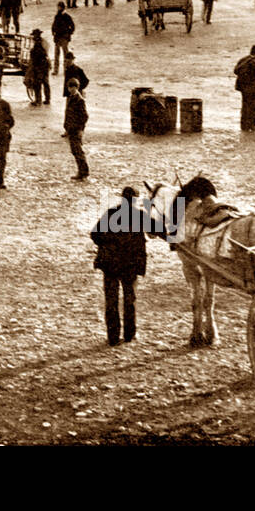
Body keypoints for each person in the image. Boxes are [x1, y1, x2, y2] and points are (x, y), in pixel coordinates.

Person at [90, 187, 150, 345]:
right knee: (130, 299)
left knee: (111, 300)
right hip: (130, 265)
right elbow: (158, 231)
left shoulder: (110, 213)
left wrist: (109, 245)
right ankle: (129, 335)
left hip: (110, 264)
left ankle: (112, 337)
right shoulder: (140, 215)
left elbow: (94, 235)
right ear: (136, 200)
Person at [63, 77, 89, 179]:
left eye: (74, 88)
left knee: (78, 151)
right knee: (75, 151)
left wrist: (81, 129)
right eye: (70, 87)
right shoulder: (70, 97)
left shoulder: (79, 100)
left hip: (76, 129)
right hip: (71, 128)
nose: (72, 89)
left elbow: (84, 116)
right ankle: (82, 171)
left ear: (77, 88)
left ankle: (83, 172)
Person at [233, 45, 255, 131]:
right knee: (253, 107)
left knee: (245, 105)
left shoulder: (243, 60)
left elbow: (235, 71)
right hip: (253, 89)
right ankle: (252, 125)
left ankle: (243, 125)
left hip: (243, 88)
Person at [26, 29, 51, 106]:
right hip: (45, 66)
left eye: (34, 35)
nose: (33, 37)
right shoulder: (44, 42)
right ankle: (47, 99)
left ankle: (38, 101)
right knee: (46, 83)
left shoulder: (37, 44)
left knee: (37, 84)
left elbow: (35, 57)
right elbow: (47, 51)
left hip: (39, 66)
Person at [51, 2, 74, 75]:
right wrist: (53, 32)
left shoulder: (67, 16)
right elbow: (54, 25)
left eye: (59, 7)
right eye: (58, 7)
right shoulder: (57, 16)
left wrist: (68, 34)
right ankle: (56, 70)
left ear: (63, 7)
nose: (58, 8)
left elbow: (72, 26)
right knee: (56, 55)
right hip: (58, 37)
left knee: (65, 54)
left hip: (64, 37)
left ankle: (66, 69)